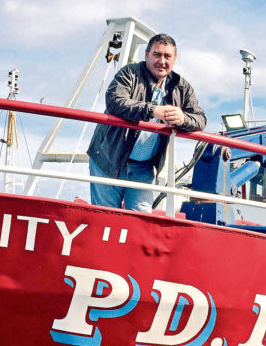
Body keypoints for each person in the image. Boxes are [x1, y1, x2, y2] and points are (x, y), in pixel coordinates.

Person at [87, 33, 206, 212]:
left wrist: (183, 118)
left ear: (174, 59)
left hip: (144, 168)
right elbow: (115, 100)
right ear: (147, 55)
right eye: (157, 55)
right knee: (106, 216)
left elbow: (200, 119)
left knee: (140, 219)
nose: (162, 61)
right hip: (109, 159)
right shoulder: (129, 73)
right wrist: (152, 110)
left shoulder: (181, 87)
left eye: (167, 56)